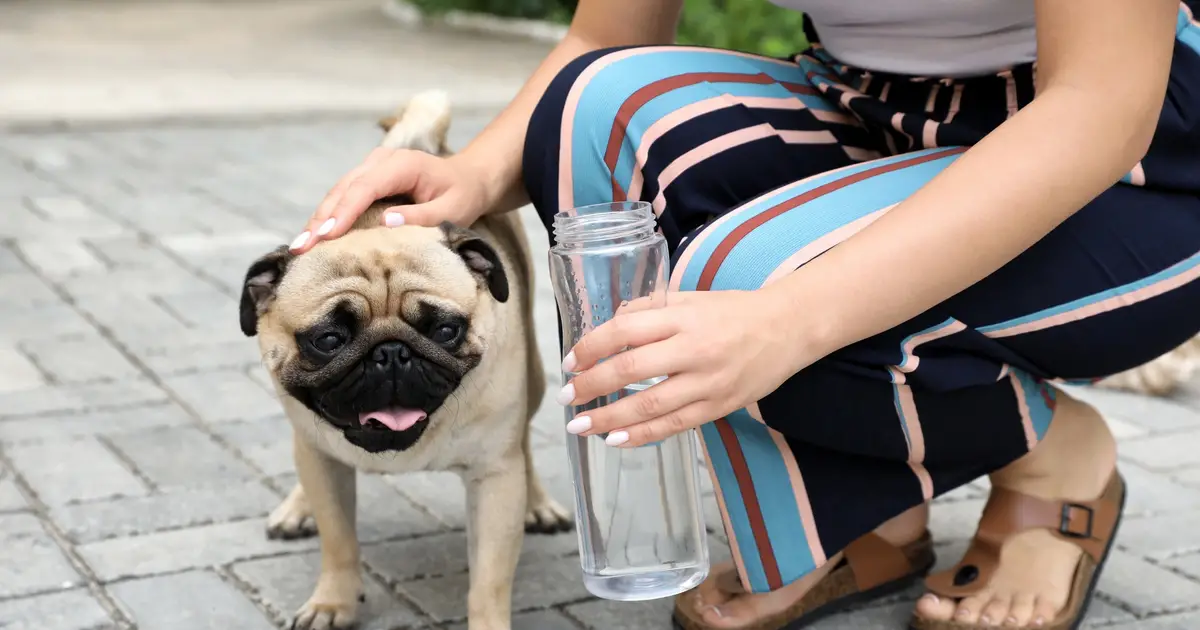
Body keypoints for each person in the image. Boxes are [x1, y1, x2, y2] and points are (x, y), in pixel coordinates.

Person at [290, 0, 1200, 628]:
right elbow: (604, 37)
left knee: (742, 280)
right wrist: (469, 176)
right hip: (870, 106)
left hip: (1135, 154)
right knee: (595, 112)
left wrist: (788, 318)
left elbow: (1101, 104)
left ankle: (1052, 455)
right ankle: (843, 511)